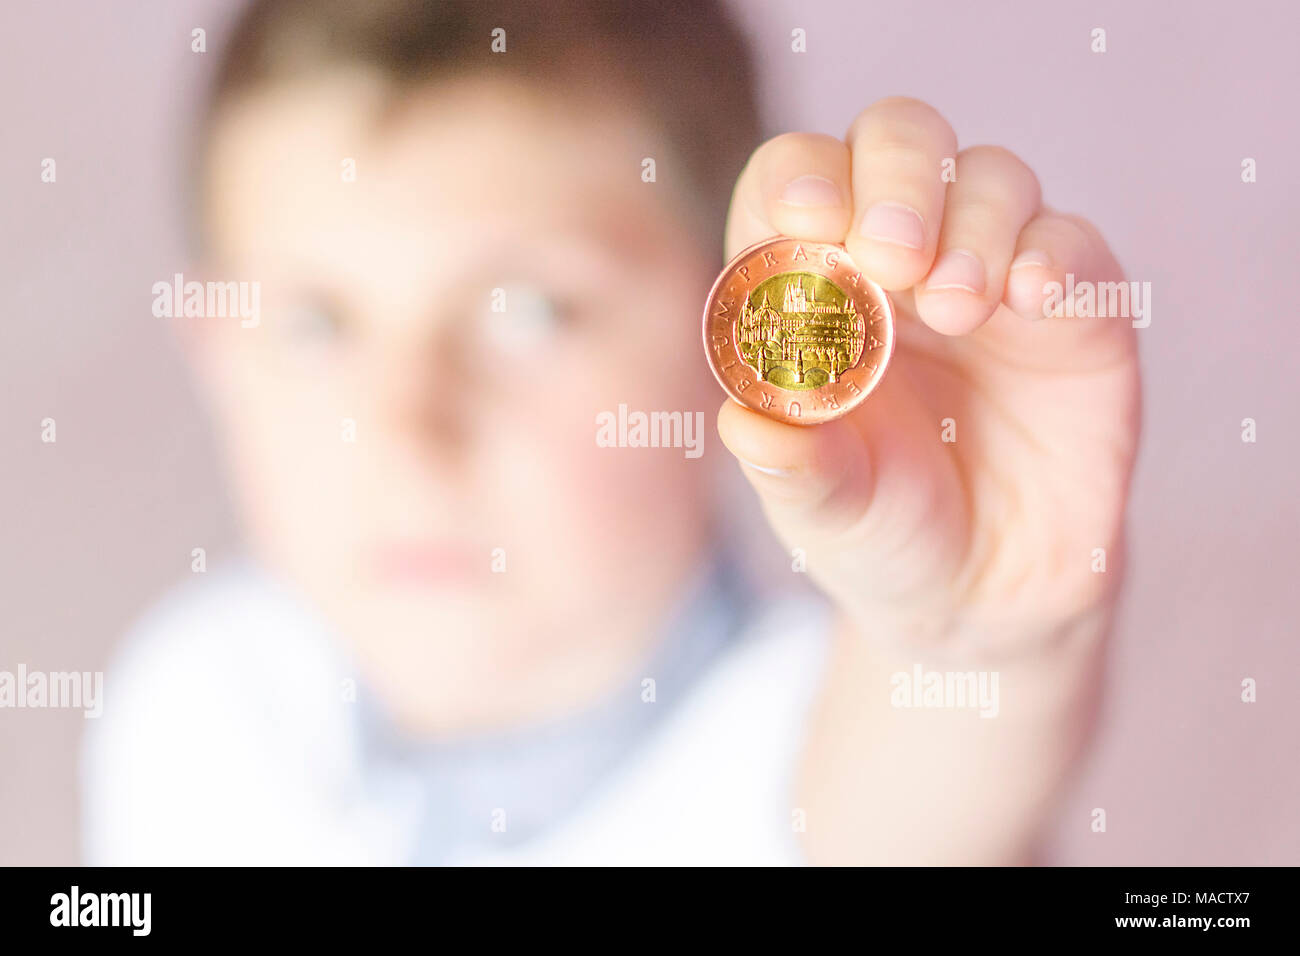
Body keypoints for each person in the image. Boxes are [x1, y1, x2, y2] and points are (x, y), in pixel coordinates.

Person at [82, 0, 1140, 865]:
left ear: (731, 336)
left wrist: (982, 643)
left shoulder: (811, 751)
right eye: (316, 322)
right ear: (212, 354)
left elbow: (933, 774)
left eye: (527, 311)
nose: (407, 431)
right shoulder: (192, 705)